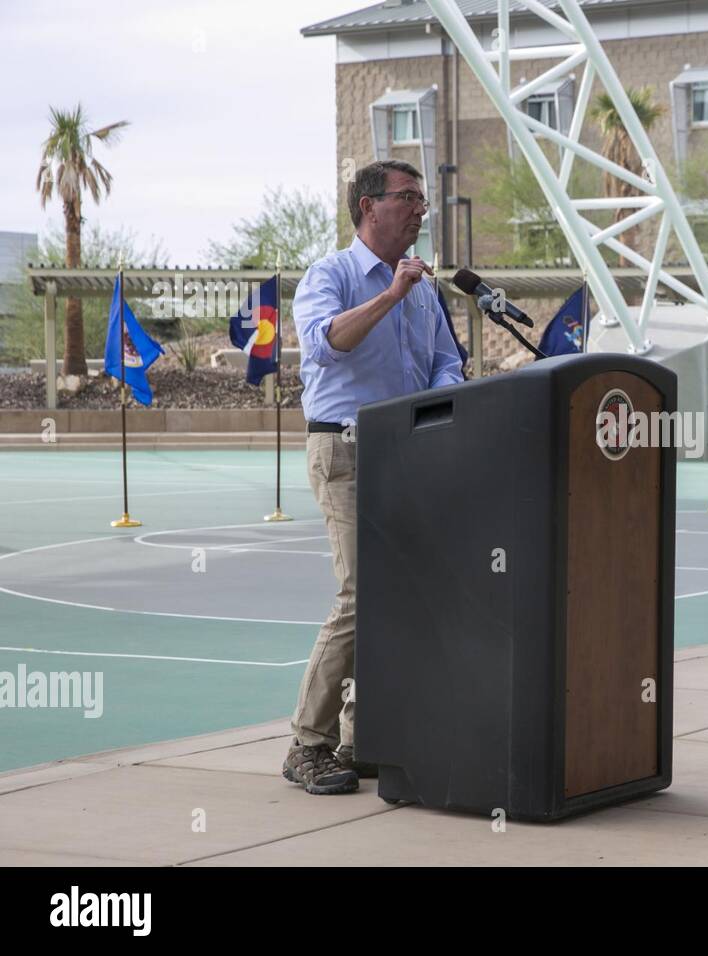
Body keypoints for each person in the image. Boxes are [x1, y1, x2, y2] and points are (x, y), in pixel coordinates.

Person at [282, 159, 464, 794]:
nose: (421, 208)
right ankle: (308, 743)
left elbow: (446, 362)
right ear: (368, 208)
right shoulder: (329, 275)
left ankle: (362, 739)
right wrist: (390, 295)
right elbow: (329, 345)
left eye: (423, 198)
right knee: (361, 595)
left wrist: (438, 405)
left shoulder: (426, 288)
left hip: (409, 451)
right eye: (408, 197)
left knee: (402, 597)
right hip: (347, 452)